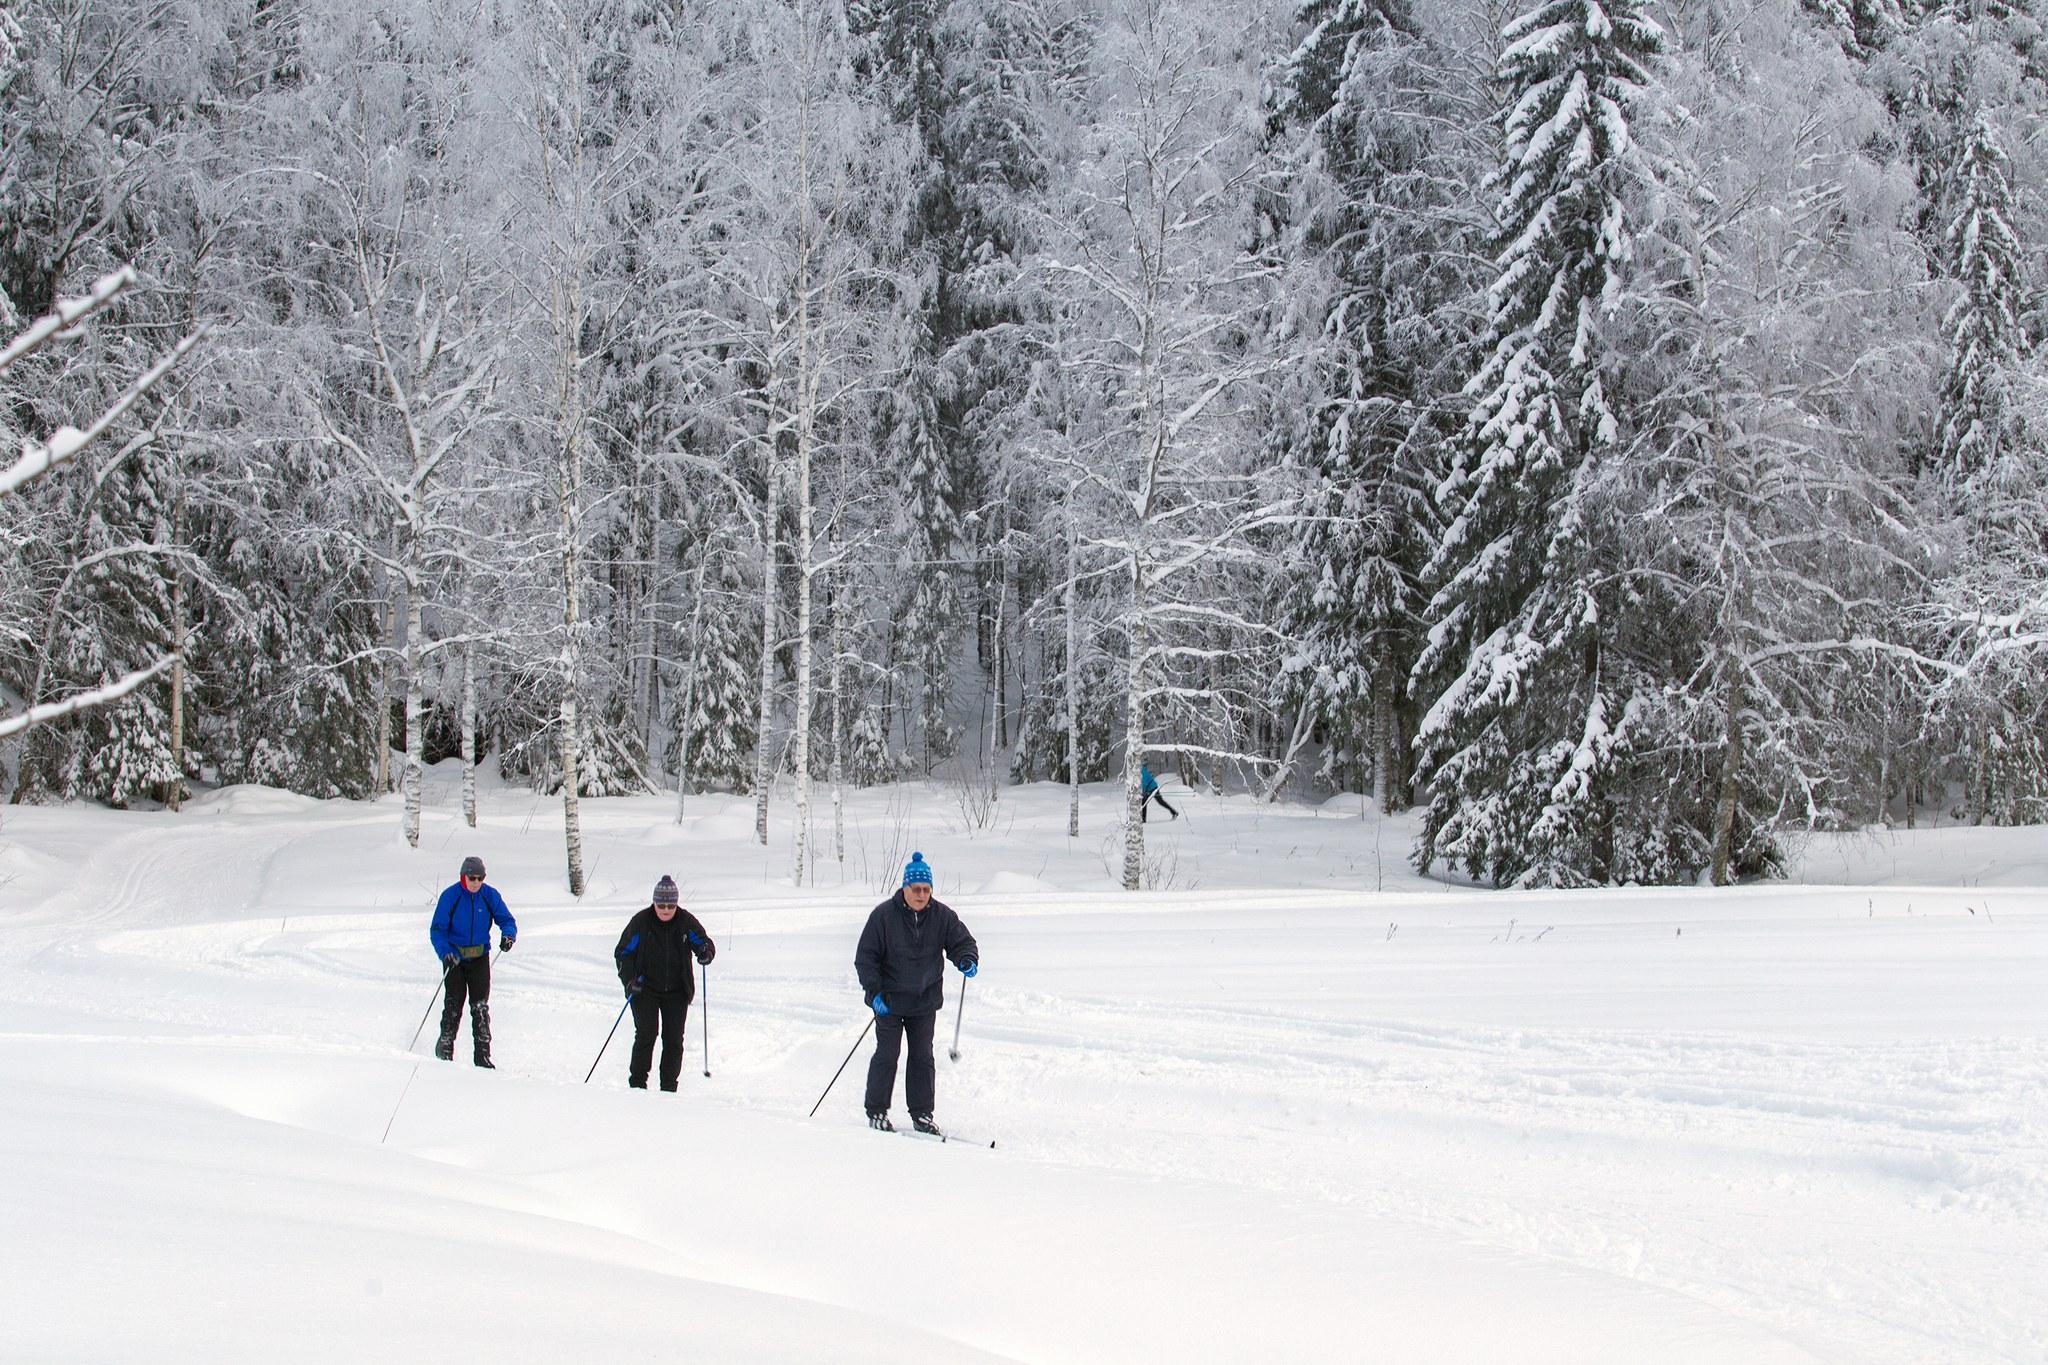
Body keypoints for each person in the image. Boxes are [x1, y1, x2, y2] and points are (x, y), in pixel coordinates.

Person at [854, 851, 977, 1134]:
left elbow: (962, 941)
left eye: (927, 890)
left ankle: (921, 1114)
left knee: (923, 1056)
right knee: (887, 1054)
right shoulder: (883, 916)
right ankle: (876, 1111)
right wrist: (874, 993)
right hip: (889, 1001)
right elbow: (866, 958)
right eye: (917, 889)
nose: (922, 895)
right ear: (905, 888)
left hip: (924, 1001)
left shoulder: (942, 916)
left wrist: (966, 958)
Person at [613, 875, 715, 1092]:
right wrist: (630, 981)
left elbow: (703, 941)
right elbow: (623, 953)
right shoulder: (641, 922)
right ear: (654, 902)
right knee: (646, 1034)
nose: (666, 909)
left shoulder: (685, 921)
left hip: (677, 991)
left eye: (671, 905)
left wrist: (705, 952)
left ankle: (669, 1088)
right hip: (644, 990)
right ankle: (637, 1085)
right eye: (662, 905)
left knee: (674, 1040)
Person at [429, 855, 517, 1068]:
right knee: (453, 1004)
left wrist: (508, 935)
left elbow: (506, 919)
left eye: (480, 878)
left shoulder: (489, 895)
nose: (476, 882)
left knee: (480, 1007)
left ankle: (483, 1056)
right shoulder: (451, 896)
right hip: (455, 959)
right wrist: (445, 953)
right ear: (463, 877)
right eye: (472, 878)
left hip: (479, 958)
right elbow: (437, 930)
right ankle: (445, 1048)